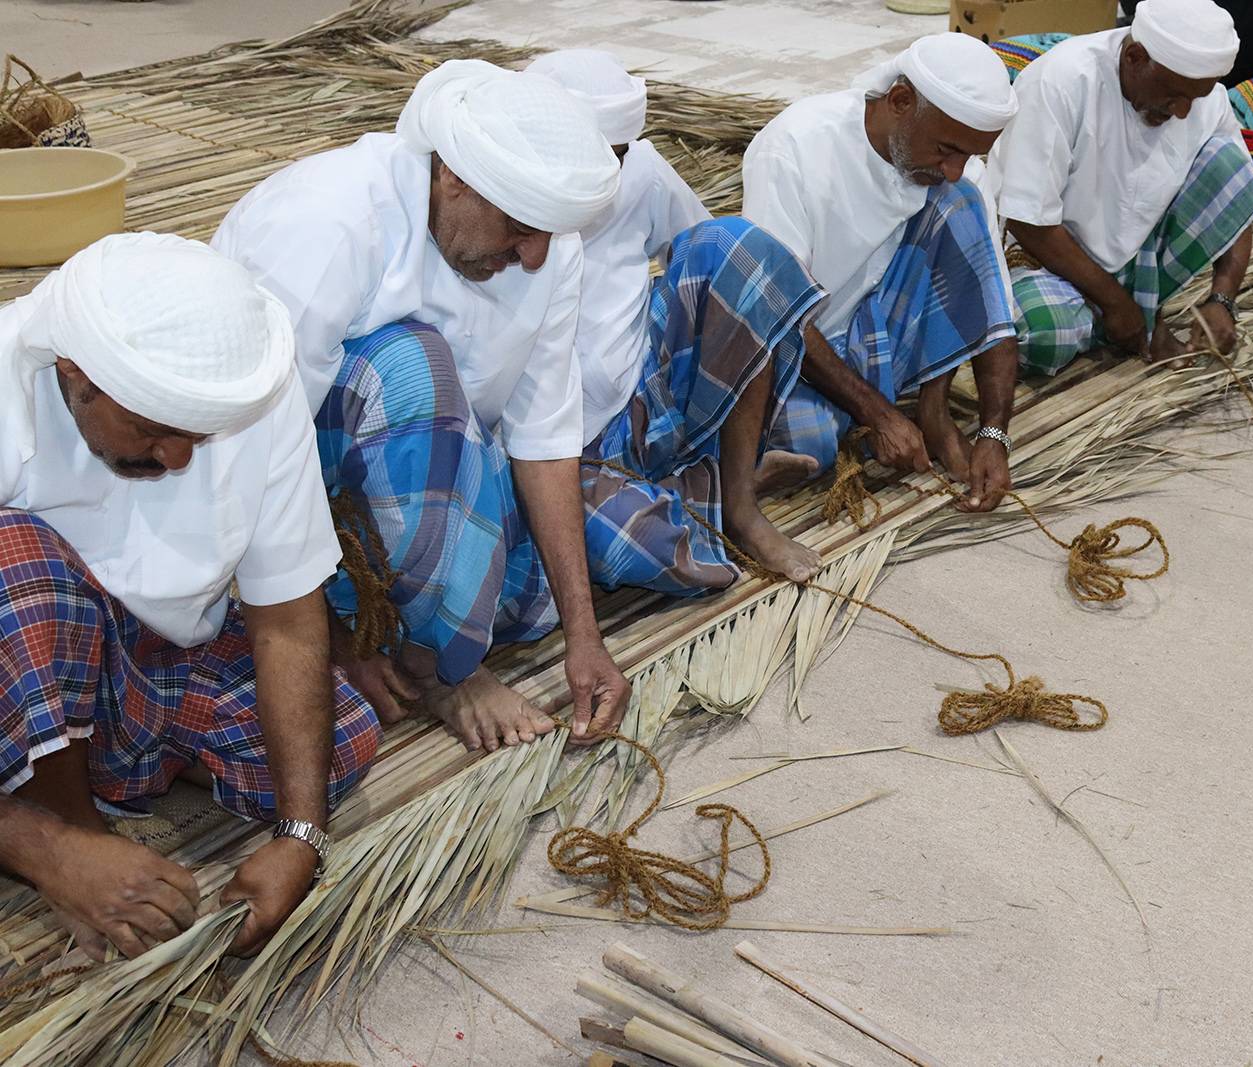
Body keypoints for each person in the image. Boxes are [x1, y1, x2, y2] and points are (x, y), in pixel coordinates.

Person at [214, 61, 633, 755]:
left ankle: (443, 608)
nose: (532, 258)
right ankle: (437, 663)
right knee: (411, 364)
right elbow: (256, 453)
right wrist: (334, 639)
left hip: (445, 486)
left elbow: (543, 432)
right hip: (294, 501)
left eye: (549, 236)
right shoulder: (333, 222)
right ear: (455, 177)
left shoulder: (546, 248)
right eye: (521, 228)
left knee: (635, 540)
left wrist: (586, 638)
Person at [0, 233, 380, 961]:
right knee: (16, 556)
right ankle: (70, 821)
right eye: (154, 430)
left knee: (341, 733)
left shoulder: (245, 389)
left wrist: (302, 836)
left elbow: (289, 624)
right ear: (76, 372)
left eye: (198, 437)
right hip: (19, 651)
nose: (179, 458)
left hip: (144, 662)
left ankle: (91, 767)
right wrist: (56, 852)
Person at [527, 49, 826, 592]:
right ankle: (700, 485)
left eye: (617, 157)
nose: (607, 174)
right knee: (669, 557)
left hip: (648, 401)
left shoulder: (638, 169)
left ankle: (737, 502)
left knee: (738, 247)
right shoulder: (497, 199)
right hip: (555, 454)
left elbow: (714, 259)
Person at [742, 32, 1023, 514]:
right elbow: (777, 314)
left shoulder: (955, 175)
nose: (955, 168)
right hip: (795, 344)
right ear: (899, 100)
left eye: (969, 156)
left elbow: (989, 305)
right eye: (946, 149)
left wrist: (994, 434)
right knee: (812, 440)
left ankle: (932, 408)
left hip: (880, 332)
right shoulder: (795, 147)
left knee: (962, 203)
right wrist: (879, 413)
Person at [990, 0, 1253, 375]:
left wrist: (1223, 298)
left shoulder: (1199, 98)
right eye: (1174, 94)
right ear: (1135, 57)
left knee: (1225, 157)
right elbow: (1028, 222)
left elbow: (1237, 195)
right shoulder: (1062, 81)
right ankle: (1113, 319)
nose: (1184, 111)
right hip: (1049, 257)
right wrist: (1120, 306)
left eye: (1196, 97)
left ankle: (1113, 320)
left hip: (1141, 255)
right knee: (1041, 336)